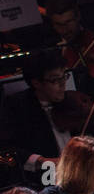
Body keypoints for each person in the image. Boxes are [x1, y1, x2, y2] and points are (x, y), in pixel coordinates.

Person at [0, 50, 74, 180]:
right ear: (37, 83)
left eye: (64, 76)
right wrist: (41, 161)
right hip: (47, 176)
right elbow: (7, 147)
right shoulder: (16, 108)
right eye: (55, 80)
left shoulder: (74, 102)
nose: (63, 85)